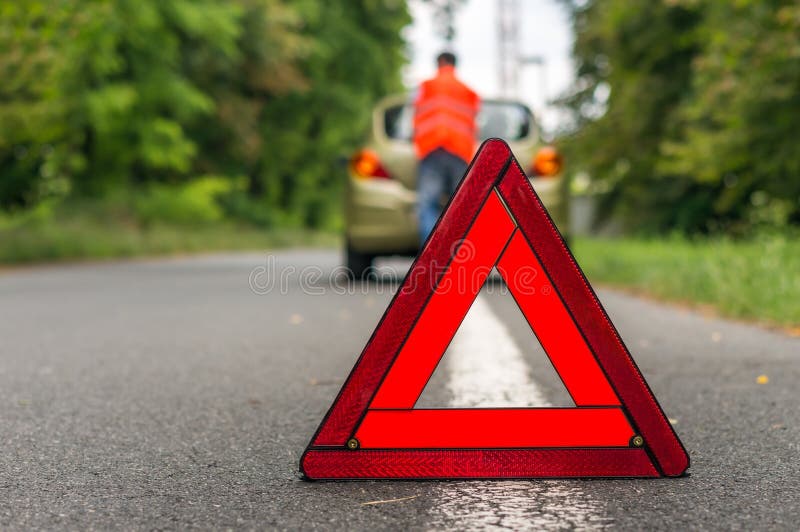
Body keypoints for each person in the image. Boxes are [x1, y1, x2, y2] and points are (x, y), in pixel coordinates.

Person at [413, 52, 480, 243]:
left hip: (431, 149)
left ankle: (432, 255)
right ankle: (459, 256)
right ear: (454, 65)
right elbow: (474, 123)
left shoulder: (425, 87)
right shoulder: (468, 92)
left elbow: (415, 116)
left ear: (439, 63)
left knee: (428, 204)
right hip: (459, 152)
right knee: (460, 207)